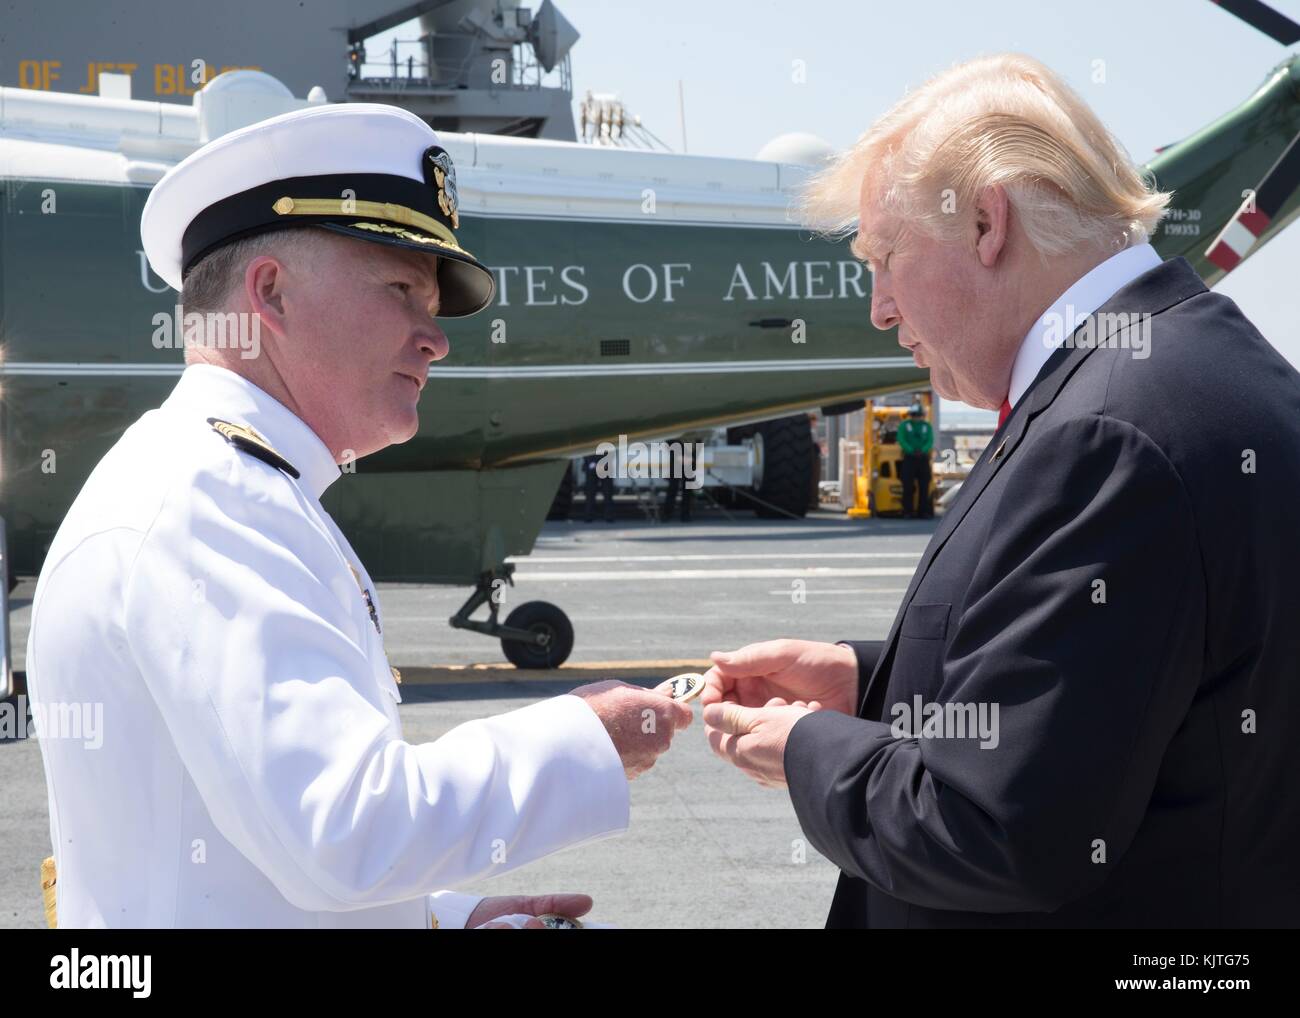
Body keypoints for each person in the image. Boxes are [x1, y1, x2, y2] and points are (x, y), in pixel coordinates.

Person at [25, 102, 692, 929]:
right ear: (270, 292)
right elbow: (341, 834)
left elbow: (250, 862)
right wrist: (585, 740)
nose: (434, 338)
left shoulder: (225, 481)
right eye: (403, 289)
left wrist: (443, 916)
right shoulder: (211, 502)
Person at [699, 53, 1300, 928]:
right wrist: (873, 684)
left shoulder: (1104, 433)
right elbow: (1133, 676)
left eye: (886, 255)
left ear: (986, 221)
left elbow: (996, 828)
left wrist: (808, 747)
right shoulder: (1202, 370)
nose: (878, 306)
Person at [895, 403, 933, 518]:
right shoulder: (904, 425)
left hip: (923, 458)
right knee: (907, 486)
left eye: (919, 415)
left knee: (924, 486)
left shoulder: (927, 426)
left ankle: (923, 511)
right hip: (909, 458)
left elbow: (930, 440)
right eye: (914, 415)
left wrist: (923, 450)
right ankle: (907, 511)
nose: (917, 417)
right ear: (911, 415)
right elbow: (901, 439)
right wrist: (911, 450)